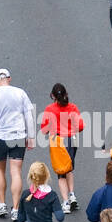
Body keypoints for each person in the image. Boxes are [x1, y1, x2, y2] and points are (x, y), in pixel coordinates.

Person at [0, 67, 36, 220]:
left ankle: (2, 204)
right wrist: (30, 136)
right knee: (16, 172)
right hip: (17, 136)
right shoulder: (20, 93)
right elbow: (29, 115)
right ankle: (16, 208)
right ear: (9, 78)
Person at [40, 82, 85, 211]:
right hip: (72, 140)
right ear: (66, 94)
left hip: (58, 140)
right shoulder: (72, 107)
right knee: (69, 167)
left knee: (61, 173)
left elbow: (44, 129)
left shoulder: (50, 109)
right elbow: (81, 126)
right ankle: (72, 195)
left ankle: (65, 203)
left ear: (53, 96)